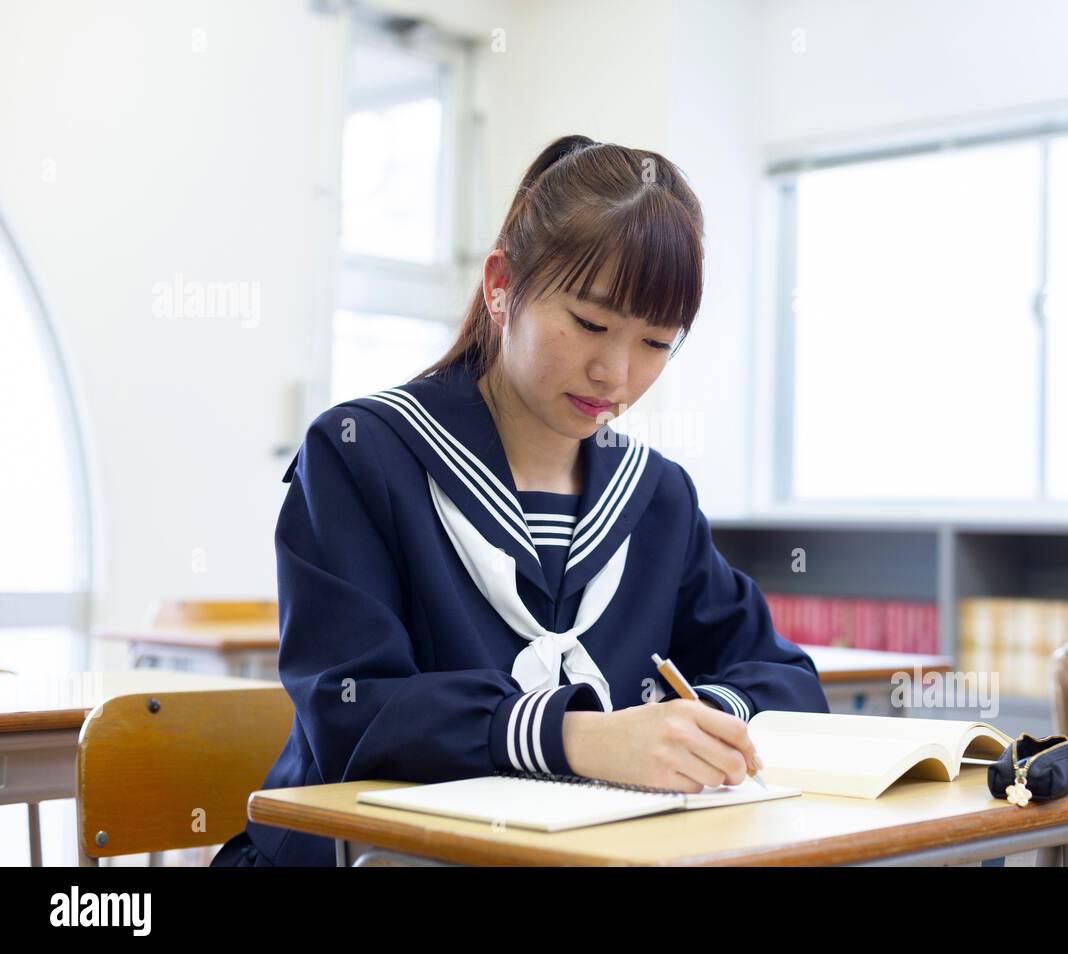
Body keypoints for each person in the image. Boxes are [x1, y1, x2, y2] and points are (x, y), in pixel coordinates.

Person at [212, 134, 828, 867]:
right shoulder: (361, 454)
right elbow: (351, 710)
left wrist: (701, 726)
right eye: (591, 324)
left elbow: (784, 678)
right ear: (502, 283)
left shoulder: (655, 497)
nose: (615, 373)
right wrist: (579, 738)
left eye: (656, 343)